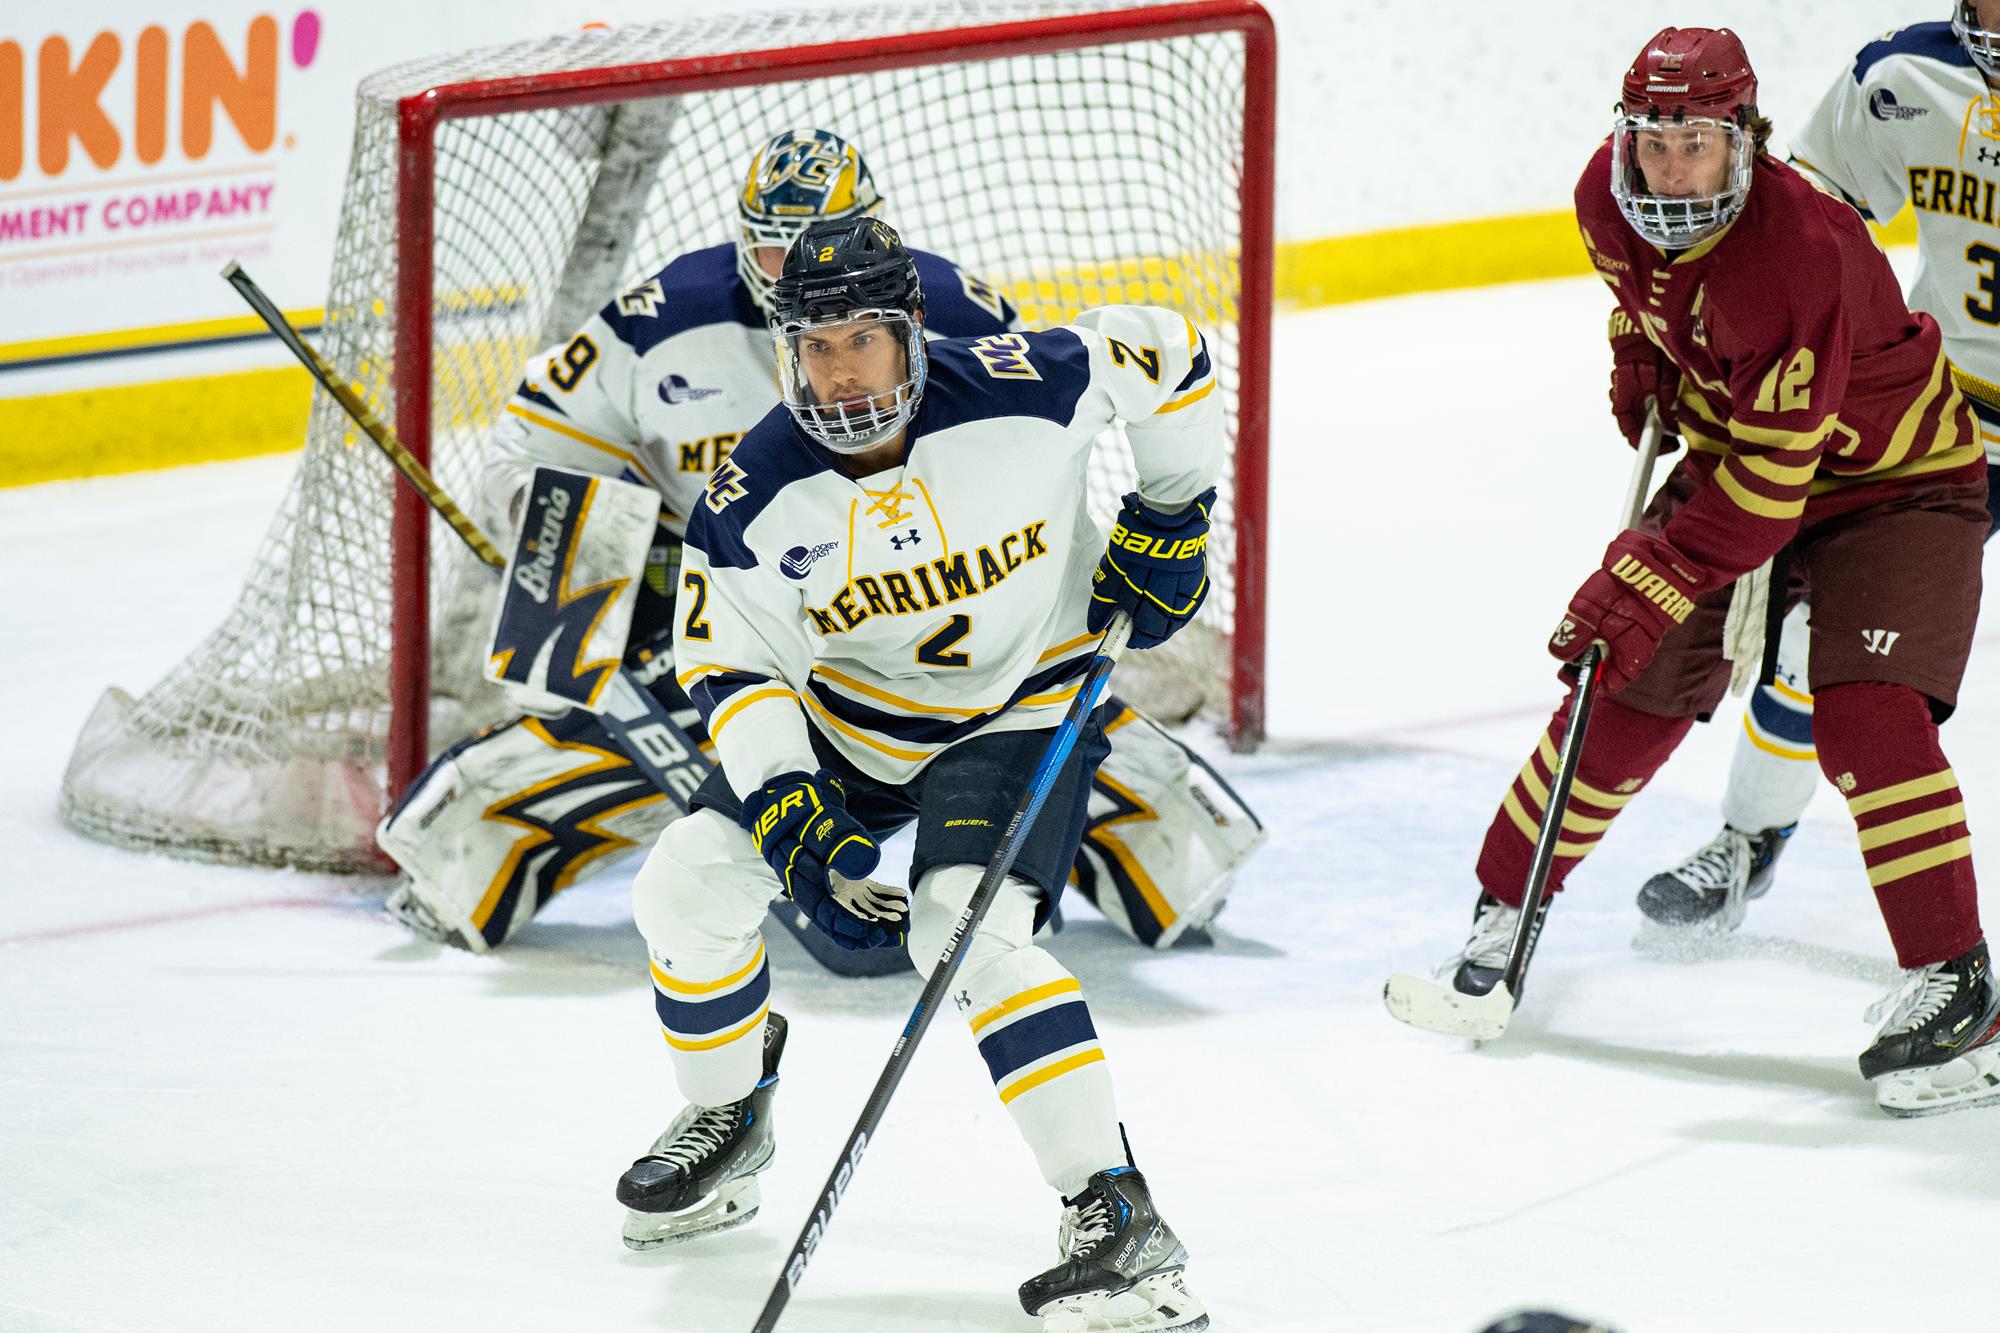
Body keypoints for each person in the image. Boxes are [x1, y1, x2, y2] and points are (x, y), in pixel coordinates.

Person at [375, 127, 1262, 960]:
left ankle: (1171, 851)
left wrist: (1147, 526)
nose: (794, 274)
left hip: (932, 605)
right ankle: (462, 855)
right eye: (769, 250)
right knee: (639, 707)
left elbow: (1037, 457)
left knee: (1027, 697)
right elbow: (530, 452)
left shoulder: (950, 313)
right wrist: (622, 570)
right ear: (739, 242)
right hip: (748, 603)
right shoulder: (660, 319)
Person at [614, 216, 1214, 1330]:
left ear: (913, 330)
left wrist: (1174, 508)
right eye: (813, 346)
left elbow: (1170, 351)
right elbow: (729, 662)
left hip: (1021, 705)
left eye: (861, 340)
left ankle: (1113, 1209)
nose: (838, 372)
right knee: (685, 881)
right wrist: (783, 790)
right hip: (851, 727)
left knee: (961, 926)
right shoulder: (750, 496)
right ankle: (728, 1115)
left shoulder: (1027, 384)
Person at [1432, 26, 1999, 1117]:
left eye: (1695, 142)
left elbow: (1764, 501)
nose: (1668, 168)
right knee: (1626, 688)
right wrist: (1640, 355)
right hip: (1741, 452)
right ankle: (1504, 902)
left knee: (1865, 716)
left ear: (1744, 139)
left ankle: (1954, 979)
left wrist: (1639, 571)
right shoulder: (1603, 200)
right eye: (1650, 141)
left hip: (1895, 484)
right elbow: (1647, 304)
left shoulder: (1799, 250)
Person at [1635, 3, 2000, 932]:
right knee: (1814, 641)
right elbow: (1798, 221)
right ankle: (1748, 842)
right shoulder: (1904, 77)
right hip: (1944, 424)